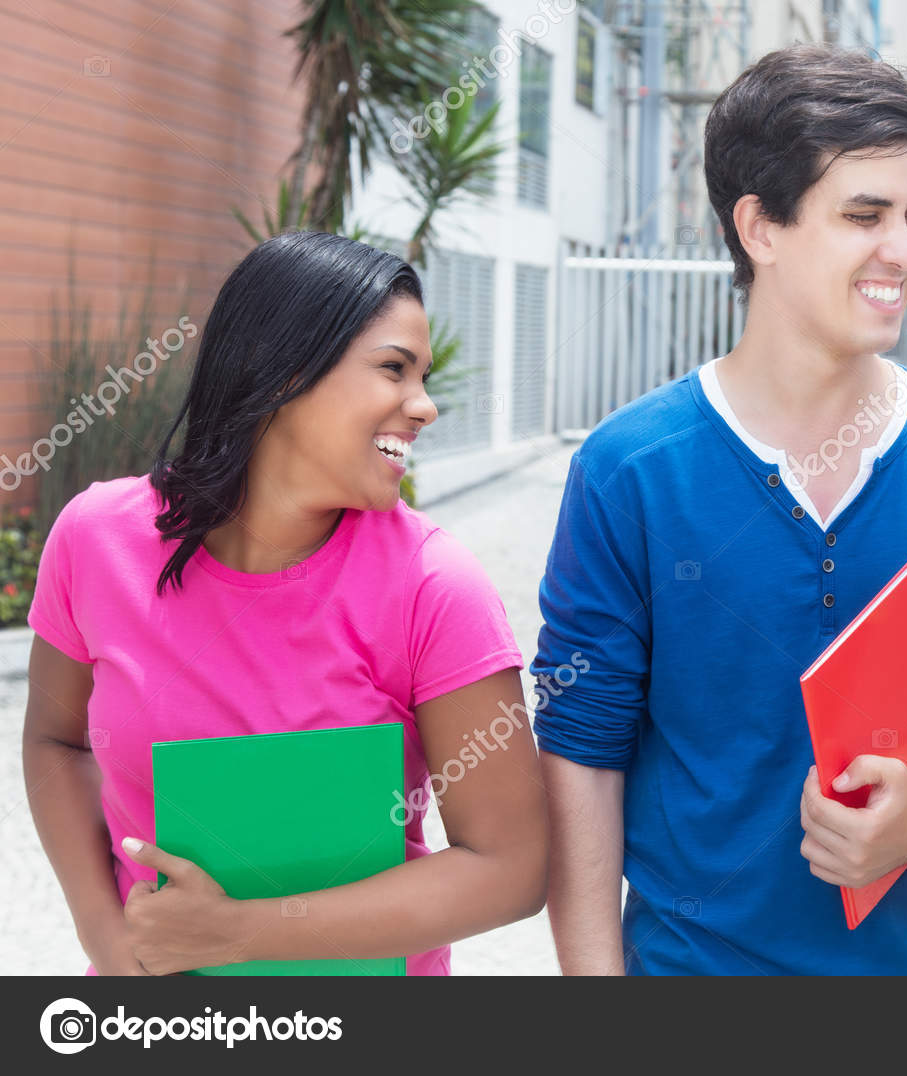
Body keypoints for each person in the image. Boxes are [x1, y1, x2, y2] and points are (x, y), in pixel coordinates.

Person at [532, 44, 907, 975]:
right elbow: (583, 753)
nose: (904, 249)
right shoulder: (630, 471)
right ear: (760, 228)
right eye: (865, 215)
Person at [22, 232, 548, 975]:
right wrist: (103, 934)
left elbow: (510, 867)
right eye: (394, 369)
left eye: (422, 376)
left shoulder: (435, 589)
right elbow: (56, 742)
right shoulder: (95, 541)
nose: (425, 406)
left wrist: (240, 933)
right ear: (280, 374)